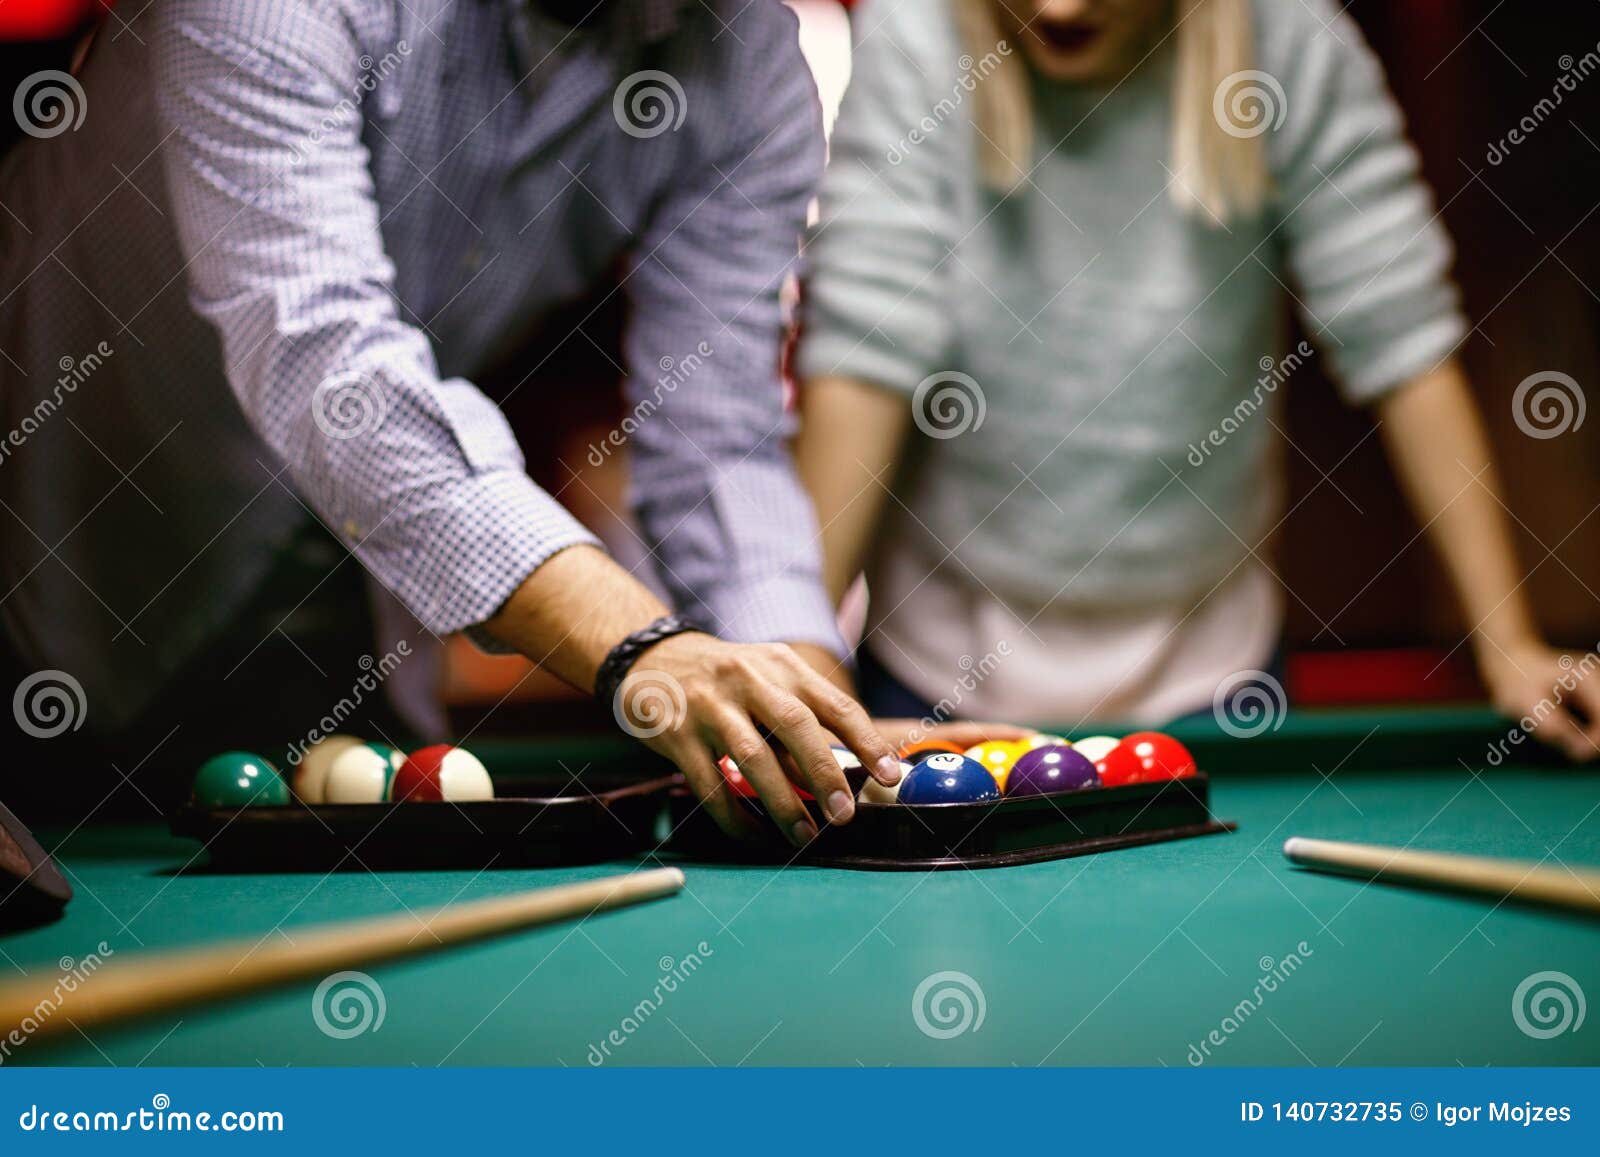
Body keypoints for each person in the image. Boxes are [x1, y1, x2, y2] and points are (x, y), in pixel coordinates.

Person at [0, 0, 1004, 840]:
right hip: (40, 573)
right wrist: (639, 650)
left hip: (341, 590)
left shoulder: (745, 59)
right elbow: (330, 366)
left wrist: (810, 709)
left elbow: (717, 434)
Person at [794, 0, 1600, 758]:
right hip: (937, 665)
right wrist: (798, 655)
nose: (1064, 8)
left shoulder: (1283, 36)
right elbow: (864, 352)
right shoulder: (916, 31)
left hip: (1216, 671)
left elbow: (1403, 341)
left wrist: (1508, 646)